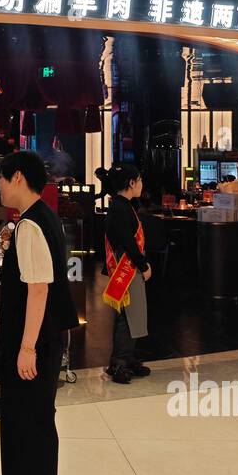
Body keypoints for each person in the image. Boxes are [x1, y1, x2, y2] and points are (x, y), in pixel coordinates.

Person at [0, 151, 79, 475]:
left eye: (2, 178)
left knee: (29, 421)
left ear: (20, 178)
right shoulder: (41, 217)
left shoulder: (30, 226)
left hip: (34, 341)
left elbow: (38, 289)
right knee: (25, 417)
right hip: (39, 338)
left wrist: (27, 347)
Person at [97, 163, 152, 384]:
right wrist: (143, 264)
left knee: (132, 315)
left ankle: (128, 359)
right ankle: (119, 363)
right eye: (139, 180)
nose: (141, 184)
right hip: (125, 268)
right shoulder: (120, 208)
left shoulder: (122, 205)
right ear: (131, 183)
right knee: (127, 317)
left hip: (126, 267)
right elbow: (128, 243)